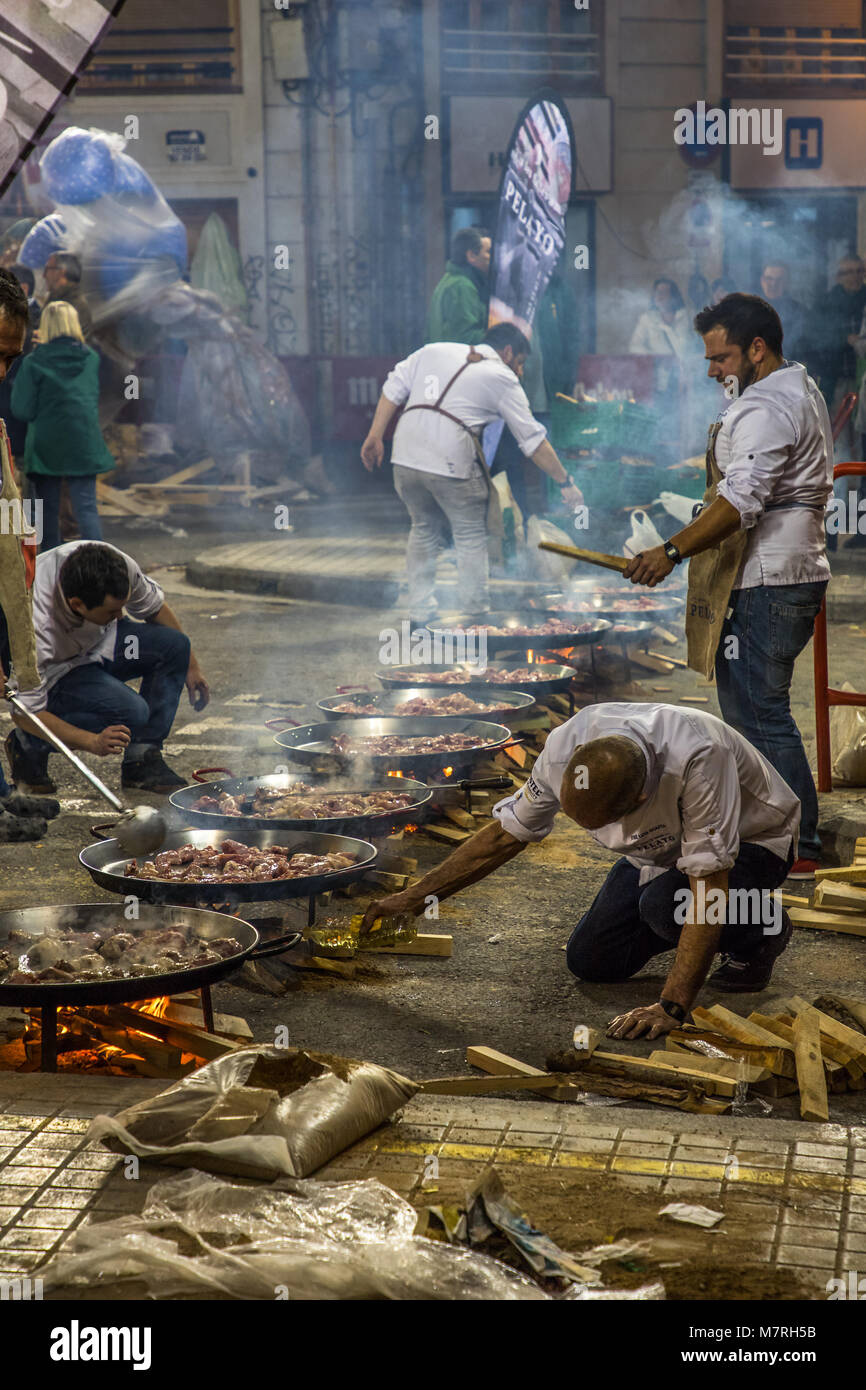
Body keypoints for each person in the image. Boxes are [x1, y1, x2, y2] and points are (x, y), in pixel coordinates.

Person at [362, 703, 800, 1035]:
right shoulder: (563, 749)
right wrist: (415, 897)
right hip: (662, 853)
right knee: (592, 960)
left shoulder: (699, 757)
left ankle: (762, 930)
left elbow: (709, 885)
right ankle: (673, 917)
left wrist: (671, 1006)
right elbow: (505, 834)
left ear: (640, 800)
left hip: (754, 842)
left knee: (669, 908)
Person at [623, 293, 833, 879]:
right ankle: (778, 832)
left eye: (721, 357)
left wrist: (670, 550)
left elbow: (742, 500)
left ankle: (797, 846)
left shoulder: (766, 406)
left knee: (761, 715)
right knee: (752, 710)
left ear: (757, 349)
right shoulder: (798, 385)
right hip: (783, 574)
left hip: (771, 578)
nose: (713, 369)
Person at [360, 322, 583, 624]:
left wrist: (374, 435)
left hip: (404, 454)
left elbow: (392, 388)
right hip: (449, 456)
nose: (519, 371)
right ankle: (476, 616)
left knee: (423, 528)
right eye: (520, 362)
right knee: (469, 533)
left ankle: (420, 613)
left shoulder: (433, 350)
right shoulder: (501, 376)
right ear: (507, 352)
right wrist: (565, 482)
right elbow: (533, 441)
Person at [4, 540, 210, 795]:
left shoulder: (116, 565)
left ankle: (142, 759)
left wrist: (191, 666)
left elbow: (153, 608)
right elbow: (24, 711)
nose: (121, 614)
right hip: (60, 672)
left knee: (175, 646)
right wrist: (91, 741)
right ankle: (28, 743)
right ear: (77, 604)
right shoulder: (34, 626)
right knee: (132, 712)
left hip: (103, 644)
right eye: (113, 610)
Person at [10, 302, 114, 551]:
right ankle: (100, 566)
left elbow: (22, 409)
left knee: (46, 511)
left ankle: (50, 572)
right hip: (84, 441)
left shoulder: (34, 362)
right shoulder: (91, 359)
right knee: (87, 508)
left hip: (48, 445)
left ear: (45, 325)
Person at [426, 227, 491, 346]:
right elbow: (464, 338)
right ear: (471, 255)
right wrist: (498, 337)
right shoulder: (462, 286)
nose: (491, 257)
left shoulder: (449, 280)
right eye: (488, 251)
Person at [758, 261, 807, 364]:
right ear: (762, 281)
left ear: (787, 283)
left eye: (779, 280)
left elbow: (796, 344)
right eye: (769, 279)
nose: (773, 284)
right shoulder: (749, 308)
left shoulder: (797, 311)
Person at [42, 252, 92, 337]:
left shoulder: (76, 306)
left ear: (61, 272)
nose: (44, 275)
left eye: (47, 269)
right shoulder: (52, 298)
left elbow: (71, 343)